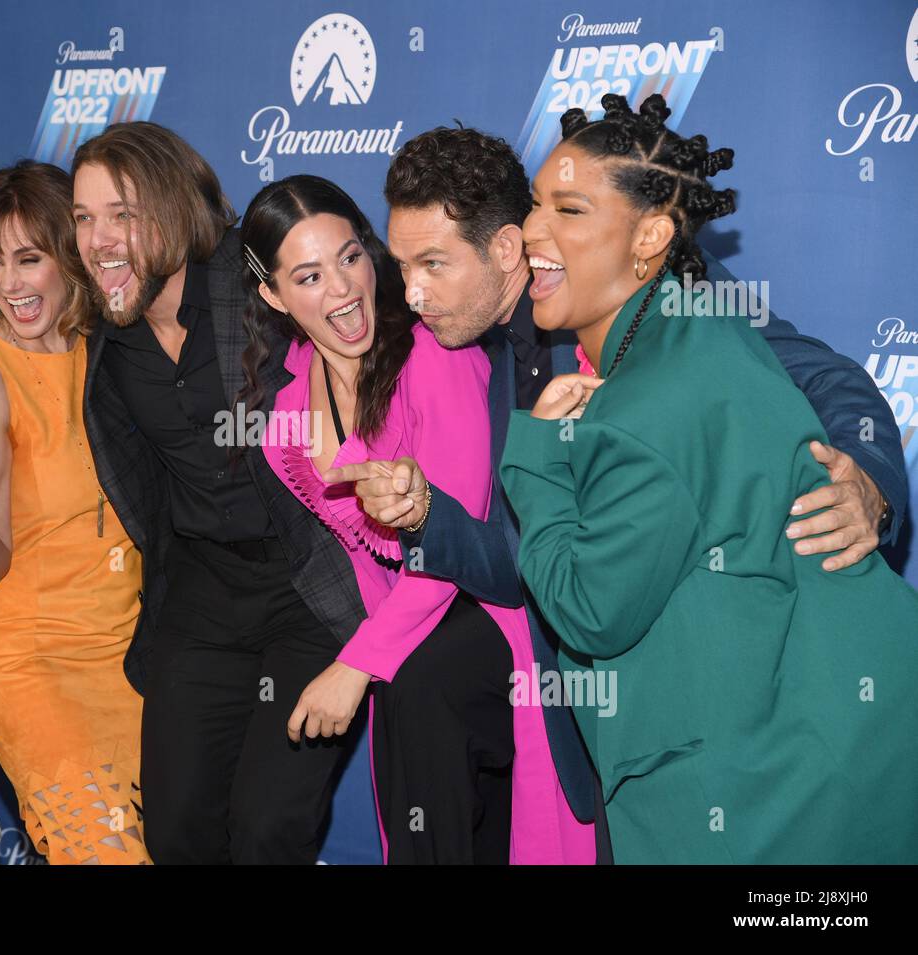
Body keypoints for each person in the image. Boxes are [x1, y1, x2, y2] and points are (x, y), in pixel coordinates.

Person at [326, 122, 910, 863]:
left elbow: (831, 382)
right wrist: (426, 517)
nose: (409, 293)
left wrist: (870, 483)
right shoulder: (501, 347)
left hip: (777, 722)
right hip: (648, 703)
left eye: (432, 264)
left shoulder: (675, 310)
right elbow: (533, 555)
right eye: (402, 265)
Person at [495, 93, 918, 863]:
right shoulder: (677, 322)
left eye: (569, 208)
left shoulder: (666, 359)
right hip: (817, 732)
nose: (530, 232)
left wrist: (537, 456)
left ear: (652, 234)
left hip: (774, 775)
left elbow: (590, 606)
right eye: (532, 205)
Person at [238, 174, 594, 864]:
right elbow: (360, 563)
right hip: (403, 632)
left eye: (350, 257)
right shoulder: (286, 402)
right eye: (309, 276)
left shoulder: (431, 353)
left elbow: (462, 534)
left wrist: (362, 663)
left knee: (423, 695)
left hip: (490, 603)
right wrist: (373, 653)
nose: (342, 289)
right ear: (273, 295)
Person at [71, 123, 369, 863]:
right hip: (199, 598)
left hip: (306, 587)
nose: (98, 238)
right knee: (175, 833)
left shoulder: (255, 285)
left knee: (269, 827)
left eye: (121, 214)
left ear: (173, 207)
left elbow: (375, 304)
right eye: (82, 218)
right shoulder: (110, 336)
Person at [0, 161, 149, 864]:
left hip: (132, 656)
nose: (9, 282)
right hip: (36, 663)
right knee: (105, 853)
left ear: (70, 258)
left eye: (29, 258)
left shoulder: (109, 354)